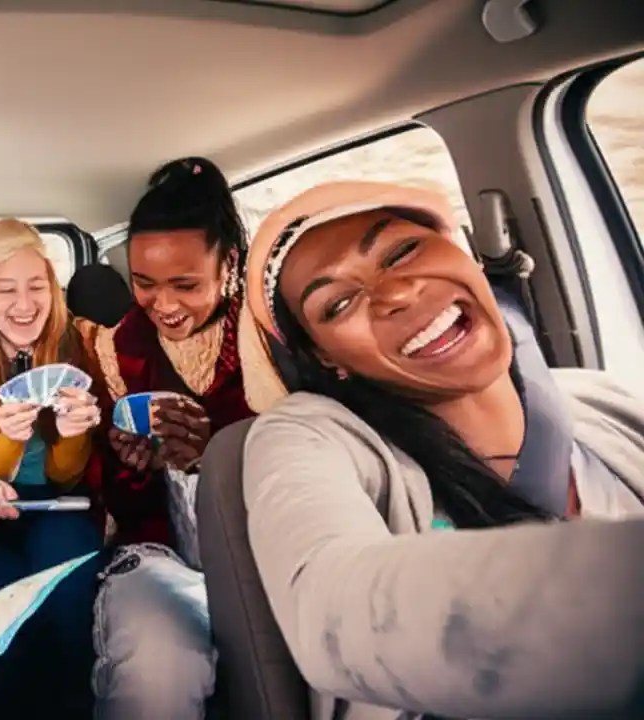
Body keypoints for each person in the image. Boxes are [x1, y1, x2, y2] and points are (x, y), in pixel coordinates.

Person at [234, 180, 644, 719]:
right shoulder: (309, 435)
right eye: (337, 304)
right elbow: (332, 606)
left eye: (402, 252)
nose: (396, 294)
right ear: (328, 359)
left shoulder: (607, 399)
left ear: (465, 253)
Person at [77, 156, 255, 719]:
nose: (164, 306)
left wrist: (215, 452)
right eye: (144, 283)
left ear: (228, 265)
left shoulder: (269, 337)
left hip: (268, 544)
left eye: (186, 284)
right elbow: (127, 507)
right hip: (162, 553)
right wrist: (134, 464)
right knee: (156, 666)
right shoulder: (119, 348)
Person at [0, 218, 104, 718]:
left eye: (36, 287)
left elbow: (66, 476)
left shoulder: (79, 350)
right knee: (5, 617)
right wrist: (8, 444)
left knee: (68, 597)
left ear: (53, 291)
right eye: (6, 289)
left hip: (58, 506)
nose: (24, 305)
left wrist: (75, 437)